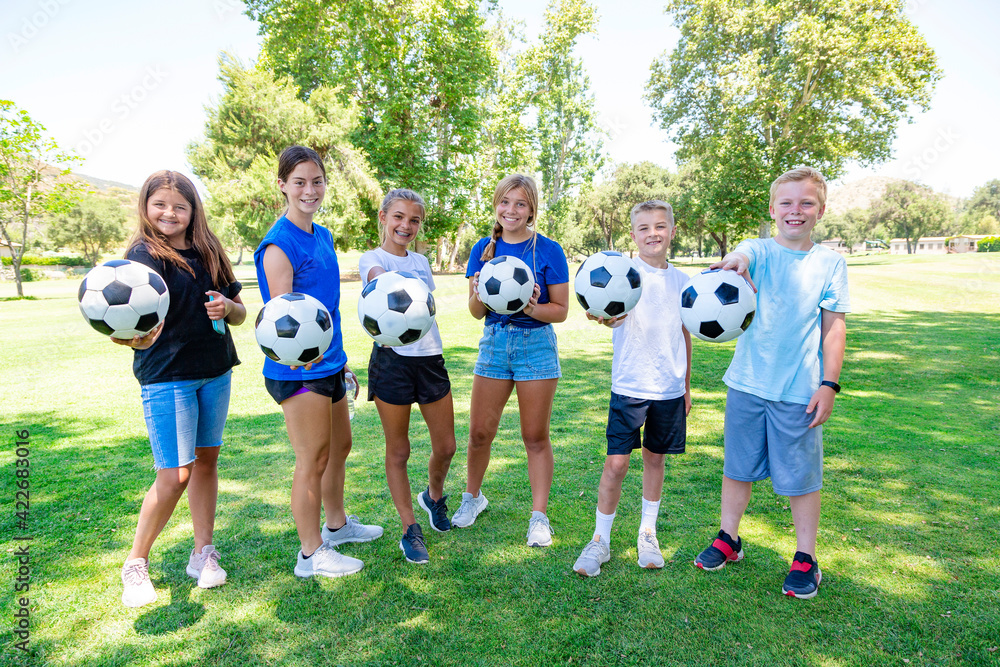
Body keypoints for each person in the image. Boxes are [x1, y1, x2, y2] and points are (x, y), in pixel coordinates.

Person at [693, 166, 849, 600]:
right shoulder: (757, 251)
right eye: (786, 202)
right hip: (746, 384)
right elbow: (742, 255)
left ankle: (805, 558)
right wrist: (736, 262)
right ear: (772, 208)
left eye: (806, 203)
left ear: (820, 210)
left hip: (798, 392)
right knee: (737, 467)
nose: (795, 211)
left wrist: (828, 385)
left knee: (801, 478)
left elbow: (833, 327)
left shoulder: (830, 263)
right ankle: (729, 538)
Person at [116, 170, 247, 608]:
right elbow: (118, 316)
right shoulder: (141, 255)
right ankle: (135, 564)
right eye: (160, 204)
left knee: (207, 462)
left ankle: (202, 552)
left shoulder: (210, 250)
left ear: (193, 211)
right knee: (174, 474)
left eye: (179, 206)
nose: (169, 213)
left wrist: (228, 306)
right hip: (168, 375)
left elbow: (240, 312)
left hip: (216, 370)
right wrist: (127, 337)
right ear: (146, 207)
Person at [254, 145, 382, 579]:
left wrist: (341, 361)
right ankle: (310, 555)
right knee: (312, 458)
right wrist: (310, 362)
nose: (310, 190)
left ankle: (337, 526)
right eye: (300, 182)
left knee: (339, 448)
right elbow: (282, 321)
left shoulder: (322, 235)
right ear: (282, 186)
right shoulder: (279, 245)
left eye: (317, 181)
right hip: (299, 373)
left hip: (329, 366)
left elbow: (325, 309)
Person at [572, 201, 692, 577]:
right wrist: (605, 318)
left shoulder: (684, 282)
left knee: (655, 459)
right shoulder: (623, 274)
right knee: (617, 463)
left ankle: (647, 533)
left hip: (669, 388)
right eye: (644, 228)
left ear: (672, 230)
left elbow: (686, 333)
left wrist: (686, 385)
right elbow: (611, 317)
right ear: (633, 235)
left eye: (660, 226)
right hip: (630, 384)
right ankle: (599, 540)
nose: (652, 233)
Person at [453, 173, 569, 547]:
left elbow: (561, 311)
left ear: (532, 209)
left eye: (520, 203)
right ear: (496, 205)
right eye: (505, 202)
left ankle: (539, 516)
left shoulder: (548, 250)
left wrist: (531, 307)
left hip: (536, 345)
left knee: (534, 436)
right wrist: (479, 293)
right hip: (495, 343)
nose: (511, 210)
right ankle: (473, 498)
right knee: (479, 433)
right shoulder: (481, 250)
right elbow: (474, 312)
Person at [359, 189, 457, 564]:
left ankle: (432, 498)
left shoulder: (421, 261)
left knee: (446, 446)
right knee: (399, 450)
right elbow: (377, 280)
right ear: (383, 217)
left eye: (414, 220)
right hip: (391, 362)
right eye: (398, 217)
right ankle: (409, 528)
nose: (406, 225)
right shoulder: (373, 259)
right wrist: (386, 279)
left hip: (430, 360)